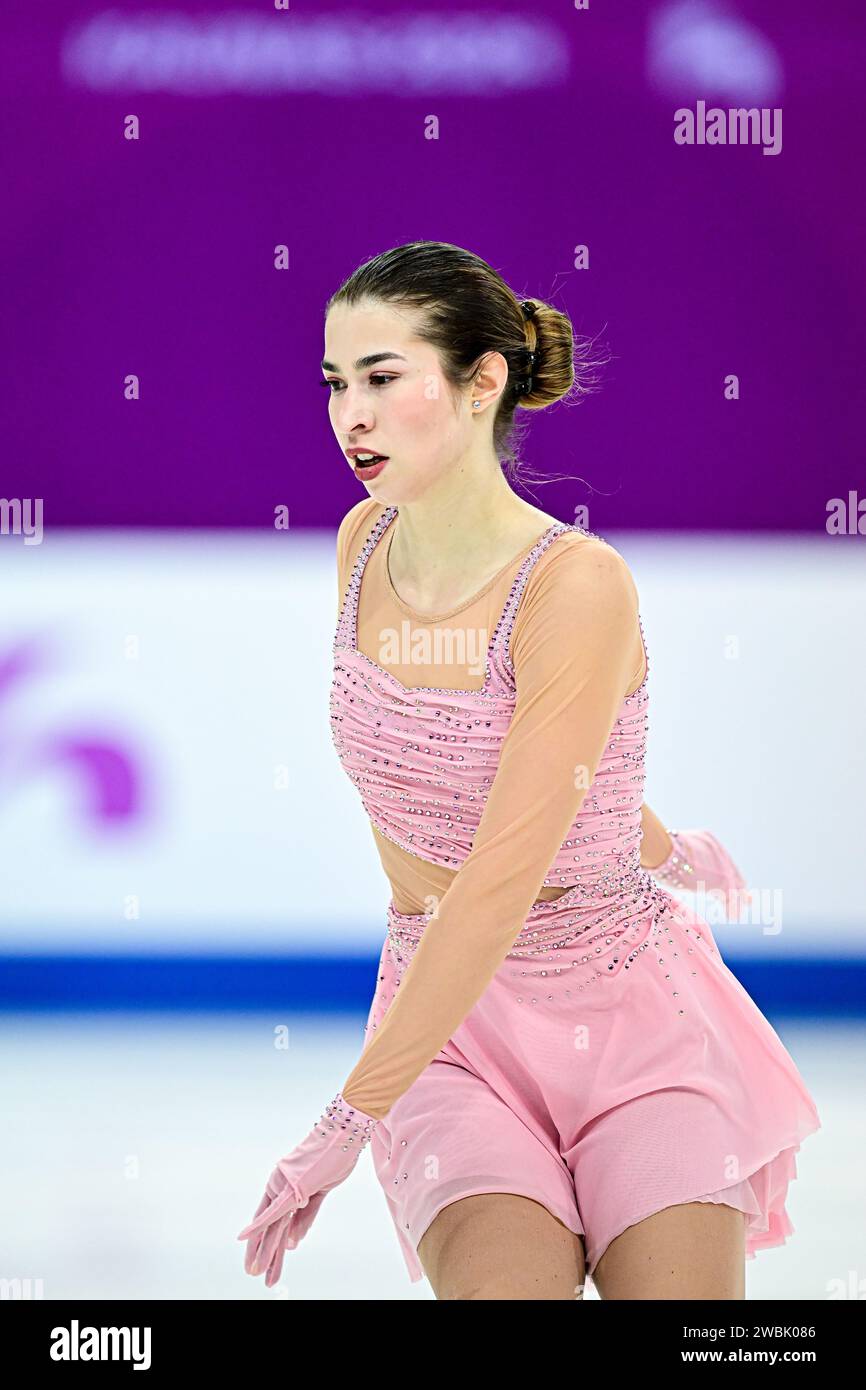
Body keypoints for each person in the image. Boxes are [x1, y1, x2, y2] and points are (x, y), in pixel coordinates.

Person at [238, 240, 821, 1300]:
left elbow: (502, 875)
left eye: (380, 377)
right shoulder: (360, 545)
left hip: (625, 1020)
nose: (348, 415)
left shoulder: (574, 584)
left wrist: (341, 1121)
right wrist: (656, 837)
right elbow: (498, 769)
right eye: (334, 383)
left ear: (481, 381)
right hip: (449, 1031)